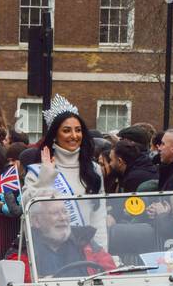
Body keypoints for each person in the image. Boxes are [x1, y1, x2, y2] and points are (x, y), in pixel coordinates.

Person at [19, 95, 107, 249]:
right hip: (50, 252)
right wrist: (45, 178)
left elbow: (98, 217)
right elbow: (26, 205)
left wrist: (101, 252)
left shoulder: (93, 169)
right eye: (67, 130)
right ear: (55, 135)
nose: (74, 136)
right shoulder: (40, 169)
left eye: (78, 130)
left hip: (85, 250)